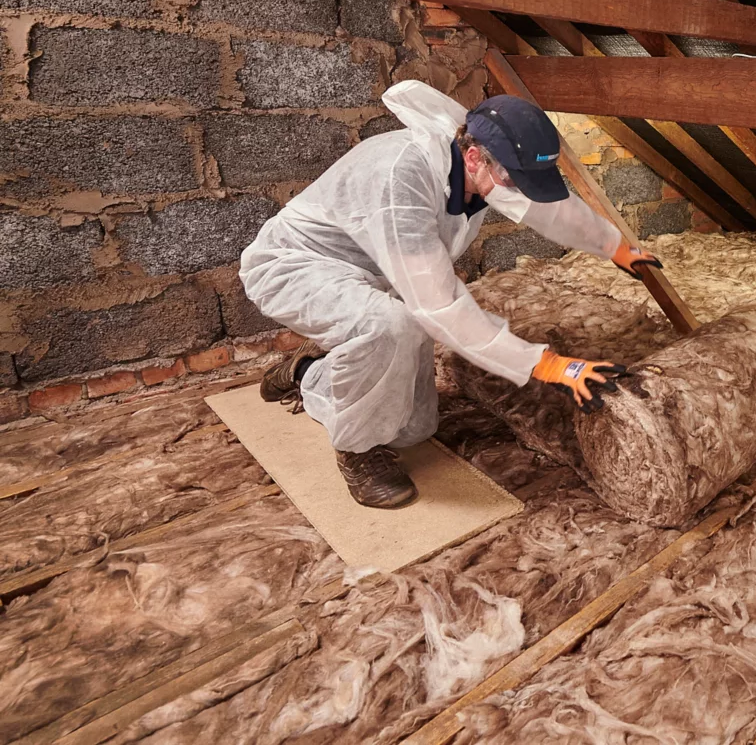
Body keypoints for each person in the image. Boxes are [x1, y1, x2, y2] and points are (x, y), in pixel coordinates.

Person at [239, 80, 662, 509]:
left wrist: (614, 246)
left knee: (414, 428)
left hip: (377, 272)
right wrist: (545, 364)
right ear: (474, 157)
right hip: (297, 265)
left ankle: (308, 370)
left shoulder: (483, 165)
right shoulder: (401, 175)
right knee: (392, 326)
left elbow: (547, 207)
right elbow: (437, 304)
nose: (521, 189)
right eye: (514, 178)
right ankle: (358, 451)